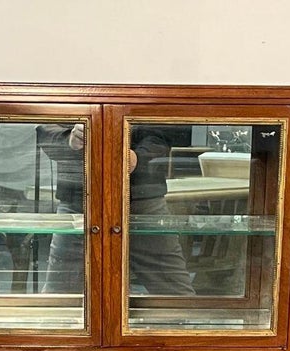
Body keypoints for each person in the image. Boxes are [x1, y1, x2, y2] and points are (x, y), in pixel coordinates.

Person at [38, 122, 194, 297]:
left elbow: (168, 124)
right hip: (86, 200)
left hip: (132, 199)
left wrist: (139, 157)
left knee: (178, 298)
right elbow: (46, 126)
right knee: (59, 298)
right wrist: (68, 140)